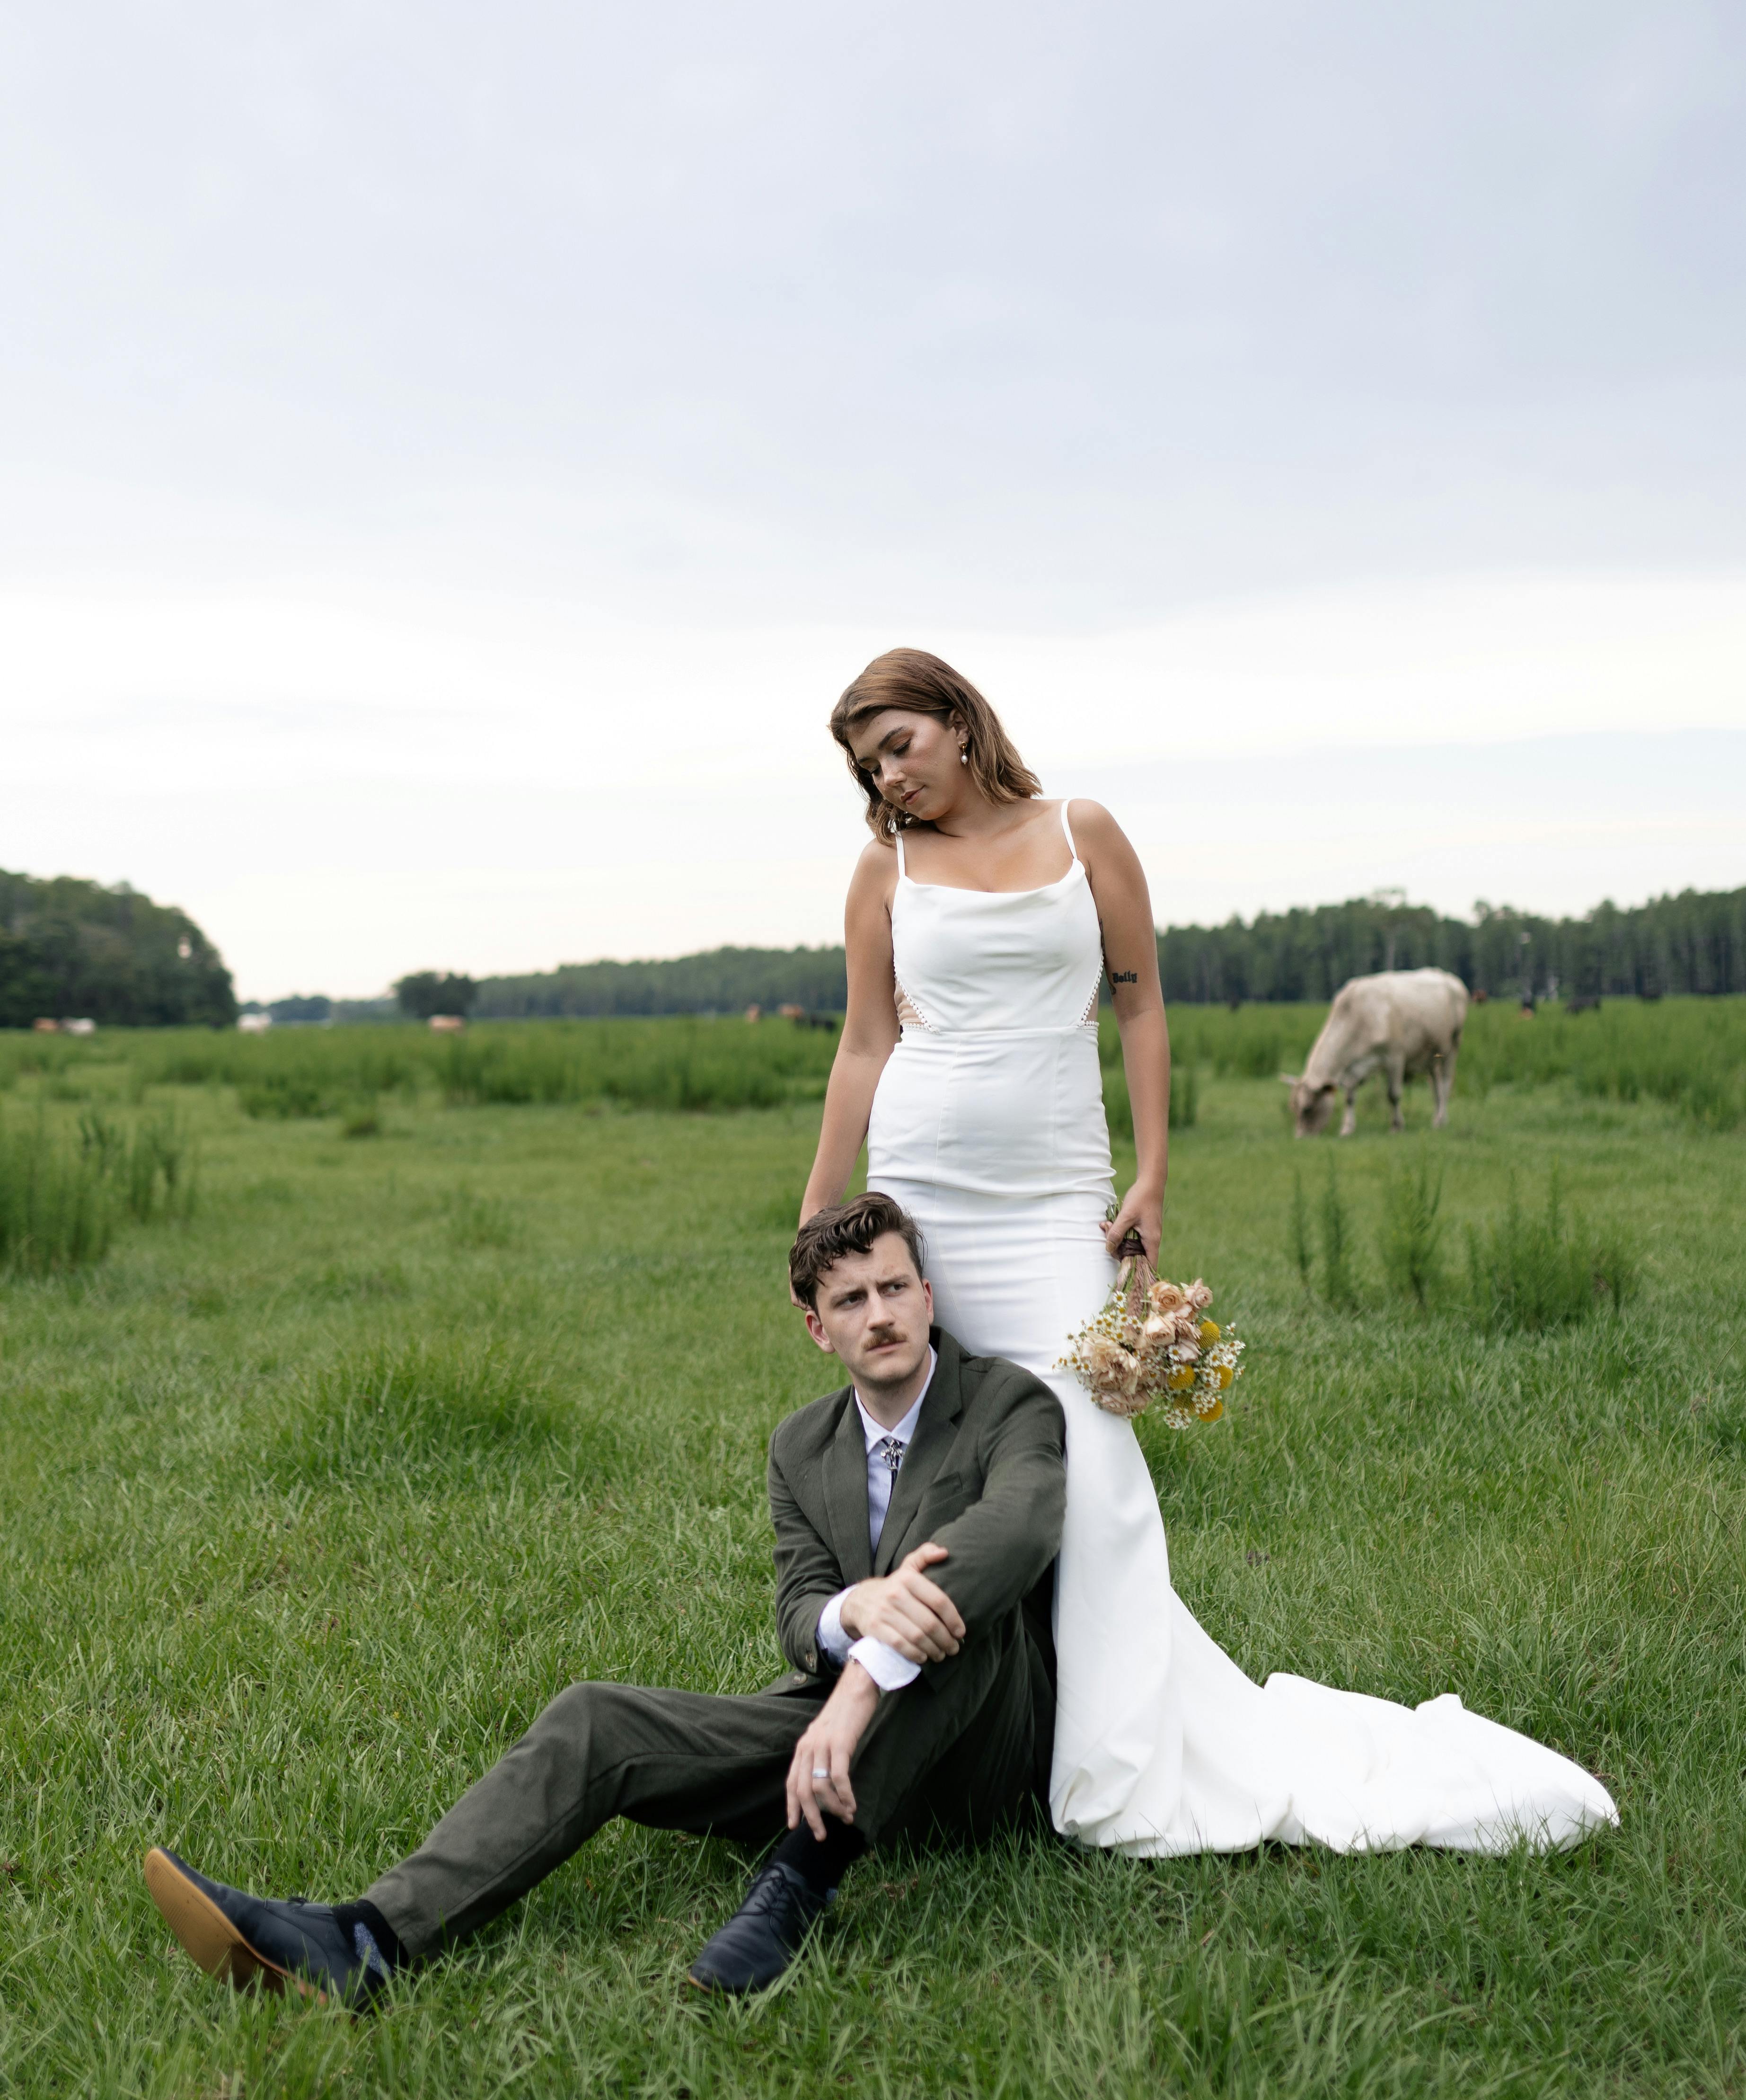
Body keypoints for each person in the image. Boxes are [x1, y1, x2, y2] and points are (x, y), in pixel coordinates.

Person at [800, 647, 1618, 1857]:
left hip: (1051, 1198)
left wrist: (1153, 1170)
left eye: (901, 745)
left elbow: (1139, 1003)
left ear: (958, 722)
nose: (891, 776)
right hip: (924, 1184)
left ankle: (1115, 1761)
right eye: (871, 765)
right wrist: (827, 1219)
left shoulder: (1082, 832)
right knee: (945, 1466)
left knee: (1093, 1466)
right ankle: (978, 1741)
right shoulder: (886, 868)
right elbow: (866, 1044)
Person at [142, 1194, 1065, 2007]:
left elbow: (1021, 1528)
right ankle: (366, 1940)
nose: (881, 1314)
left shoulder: (1006, 1404)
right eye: (851, 1299)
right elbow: (800, 1609)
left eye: (896, 1287)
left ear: (929, 1295)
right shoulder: (800, 1444)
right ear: (818, 1329)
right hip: (821, 1745)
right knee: (595, 1717)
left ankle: (796, 1881)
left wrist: (868, 1666)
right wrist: (848, 1613)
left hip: (973, 1754)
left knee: (959, 1609)